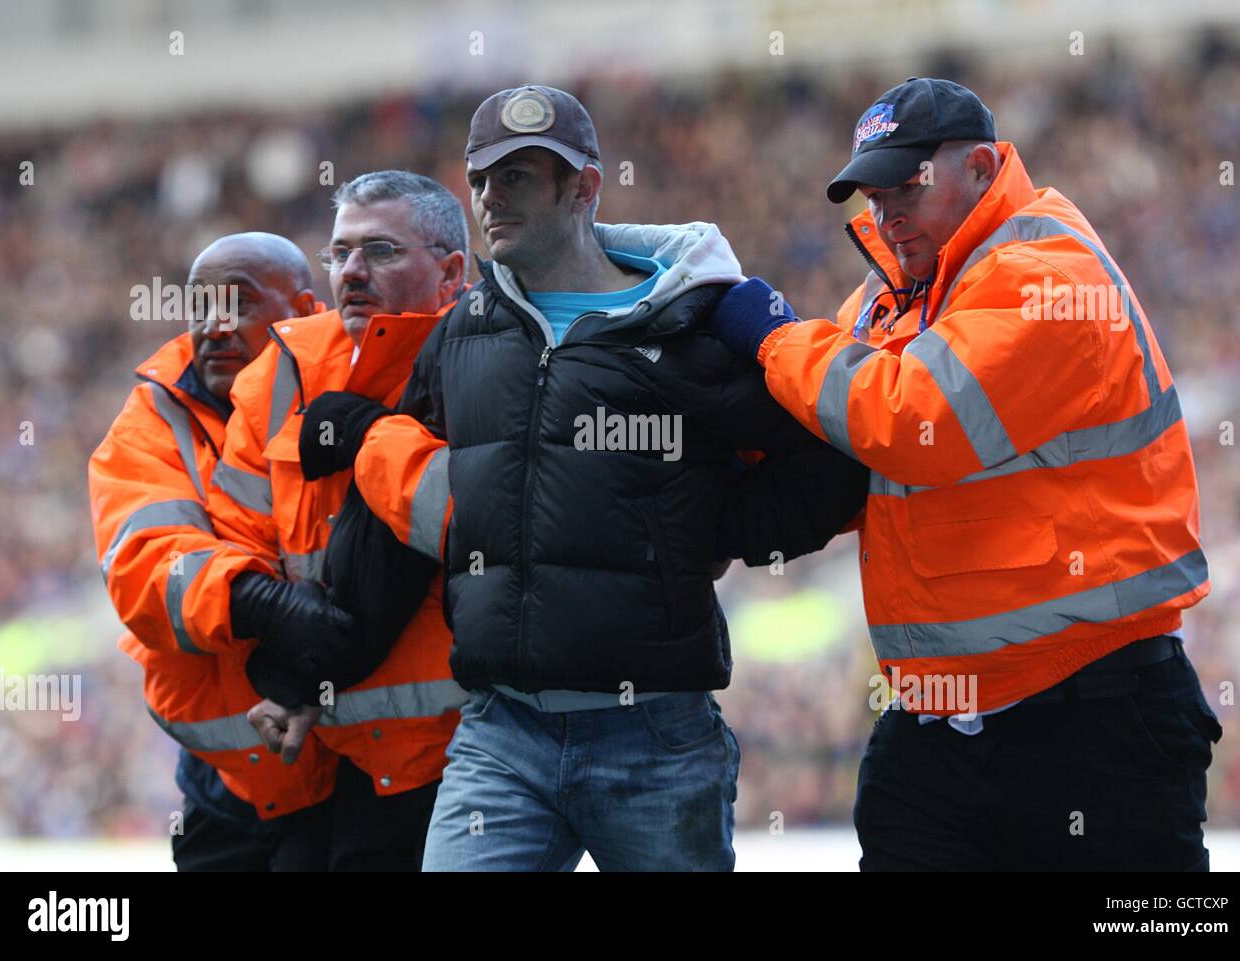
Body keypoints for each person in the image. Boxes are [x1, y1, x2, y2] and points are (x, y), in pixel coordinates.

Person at [306, 85, 869, 871]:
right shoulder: (466, 330)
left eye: (518, 178)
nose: (490, 199)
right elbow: (429, 489)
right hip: (499, 735)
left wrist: (708, 527)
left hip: (656, 741)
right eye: (480, 180)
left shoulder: (688, 327)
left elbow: (827, 463)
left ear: (584, 187)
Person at [708, 77, 1220, 871]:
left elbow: (914, 421)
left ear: (982, 167)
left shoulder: (1049, 272)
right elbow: (831, 439)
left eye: (908, 183)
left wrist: (770, 336)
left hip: (1093, 712)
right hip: (941, 720)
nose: (887, 211)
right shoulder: (895, 297)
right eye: (874, 194)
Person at [207, 171, 470, 871]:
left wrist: (369, 434)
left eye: (380, 251)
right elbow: (238, 541)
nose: (352, 271)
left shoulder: (495, 357)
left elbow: (478, 523)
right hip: (333, 759)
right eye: (340, 253)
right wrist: (277, 638)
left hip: (481, 757)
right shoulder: (281, 374)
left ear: (451, 272)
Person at [88, 232, 337, 871]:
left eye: (240, 305)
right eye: (202, 307)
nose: (215, 327)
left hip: (353, 773)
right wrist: (262, 601)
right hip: (225, 785)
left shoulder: (354, 394)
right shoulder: (153, 419)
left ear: (306, 311)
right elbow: (145, 563)